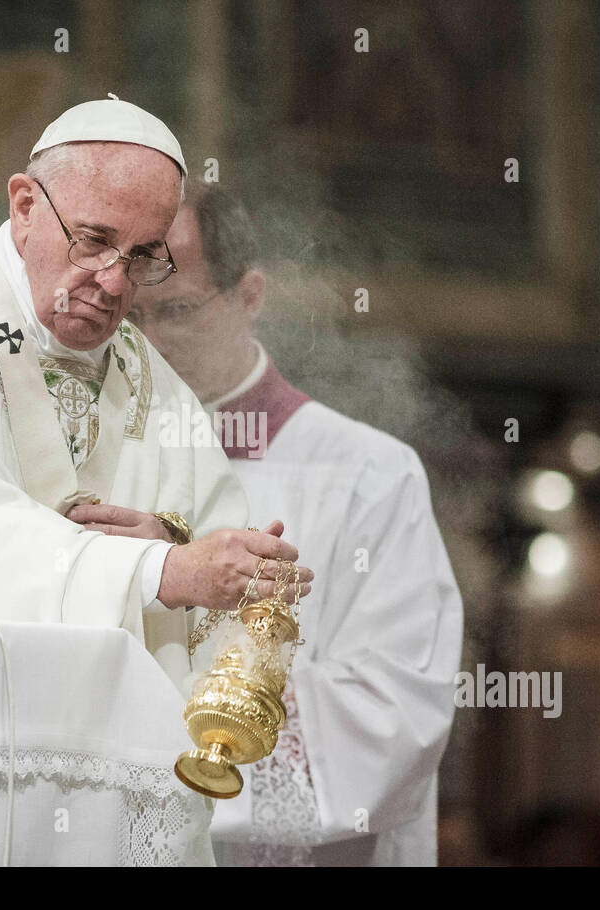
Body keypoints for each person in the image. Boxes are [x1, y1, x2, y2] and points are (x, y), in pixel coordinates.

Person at [0, 99, 312, 865]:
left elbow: (206, 545)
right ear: (25, 206)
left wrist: (211, 562)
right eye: (93, 241)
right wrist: (163, 571)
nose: (115, 283)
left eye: (144, 256)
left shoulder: (149, 379)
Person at [130, 183, 463, 865]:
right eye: (130, 316)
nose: (149, 342)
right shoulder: (99, 458)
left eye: (177, 310)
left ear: (250, 296)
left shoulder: (368, 474)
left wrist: (157, 739)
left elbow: (394, 712)